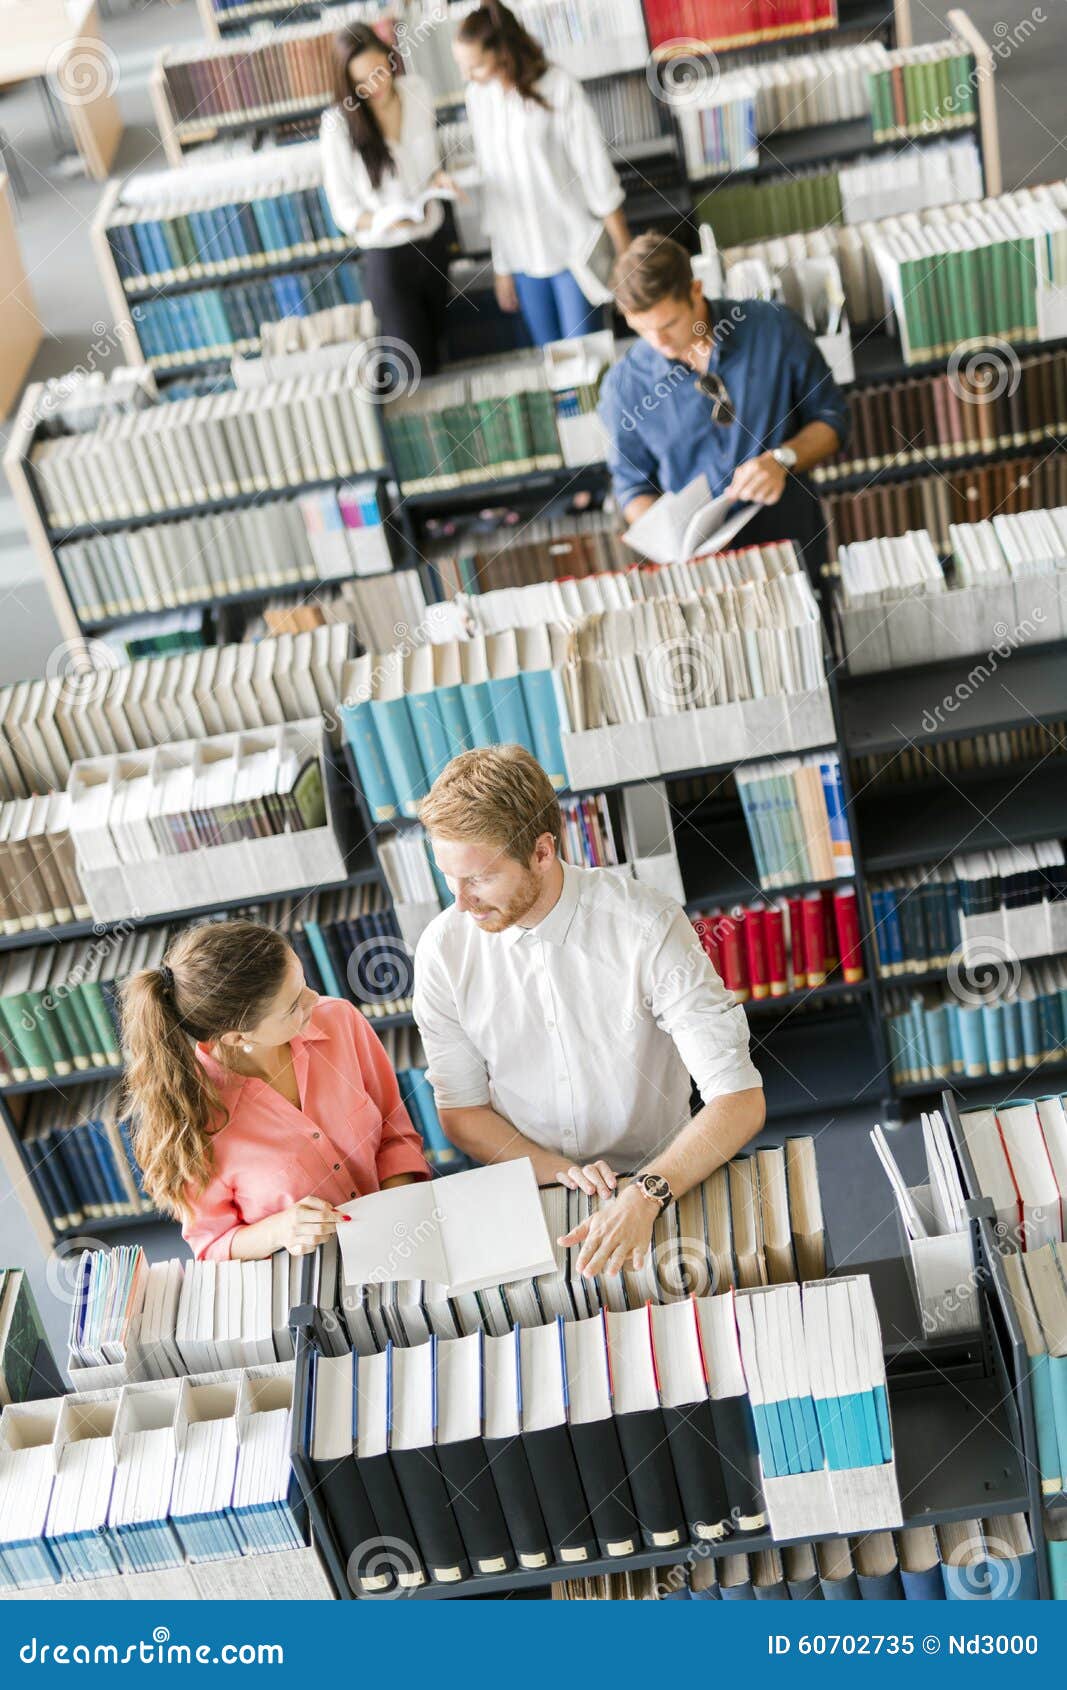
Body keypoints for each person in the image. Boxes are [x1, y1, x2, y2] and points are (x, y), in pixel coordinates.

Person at [411, 746, 765, 1279]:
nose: (461, 902)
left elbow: (738, 1099)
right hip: (534, 1184)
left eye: (479, 878)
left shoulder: (646, 925)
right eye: (448, 877)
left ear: (542, 852)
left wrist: (646, 1194)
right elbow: (462, 1112)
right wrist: (561, 1173)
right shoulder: (443, 949)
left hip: (667, 1176)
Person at [121, 920, 430, 1261]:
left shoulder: (340, 1020)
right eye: (294, 1005)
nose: (314, 999)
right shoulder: (192, 1115)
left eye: (303, 984)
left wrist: (395, 1218)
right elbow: (212, 1244)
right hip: (311, 1273)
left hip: (406, 1235)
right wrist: (280, 1230)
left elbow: (394, 1132)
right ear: (239, 1038)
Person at [598, 232, 849, 571]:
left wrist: (782, 459)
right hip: (703, 567)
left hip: (791, 543)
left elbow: (833, 418)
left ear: (695, 290)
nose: (660, 341)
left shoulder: (774, 327)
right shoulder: (623, 387)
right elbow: (631, 487)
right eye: (642, 329)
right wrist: (671, 541)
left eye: (669, 323)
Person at [453, 2, 631, 346]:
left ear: (502, 52)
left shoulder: (558, 86)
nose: (467, 76)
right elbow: (495, 190)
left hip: (572, 252)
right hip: (522, 259)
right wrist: (502, 267)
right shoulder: (478, 98)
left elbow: (596, 171)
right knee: (551, 364)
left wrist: (625, 252)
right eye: (462, 67)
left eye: (474, 66)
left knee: (586, 360)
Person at [321, 24, 453, 380]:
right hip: (389, 259)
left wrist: (438, 180)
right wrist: (383, 220)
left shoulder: (417, 91)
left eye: (380, 72)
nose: (375, 87)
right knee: (414, 372)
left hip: (434, 242)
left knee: (444, 350)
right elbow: (344, 211)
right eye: (362, 82)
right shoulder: (337, 125)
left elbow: (430, 164)